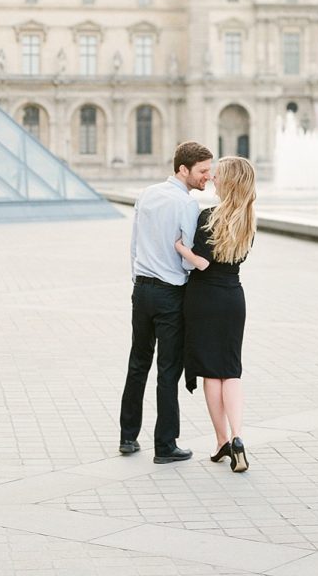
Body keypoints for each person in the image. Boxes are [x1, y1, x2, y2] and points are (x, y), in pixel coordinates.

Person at [119, 141, 213, 464]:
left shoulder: (146, 194)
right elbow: (186, 257)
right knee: (167, 370)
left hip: (142, 290)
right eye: (202, 171)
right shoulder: (187, 206)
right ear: (183, 169)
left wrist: (138, 278)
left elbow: (134, 244)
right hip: (170, 293)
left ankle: (128, 437)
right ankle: (165, 445)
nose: (207, 177)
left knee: (137, 363)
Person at [175, 156, 256, 473]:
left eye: (218, 175)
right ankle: (237, 438)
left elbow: (203, 263)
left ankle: (221, 439)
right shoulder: (247, 218)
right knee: (231, 371)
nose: (212, 179)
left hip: (204, 298)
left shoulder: (209, 215)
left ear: (229, 181)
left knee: (212, 372)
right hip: (233, 299)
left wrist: (181, 248)